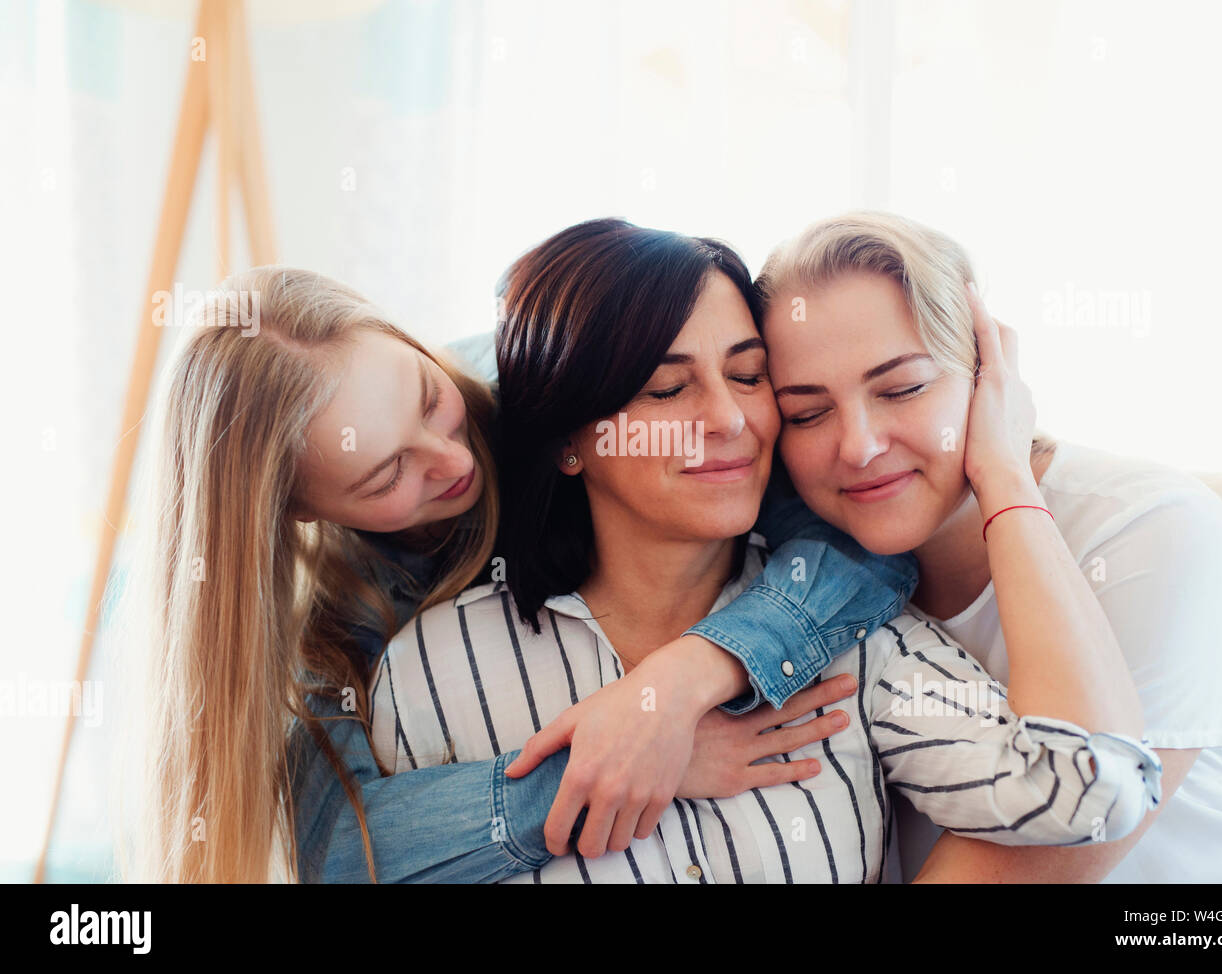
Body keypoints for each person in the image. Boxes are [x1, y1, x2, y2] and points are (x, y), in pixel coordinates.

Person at [370, 217, 1162, 883]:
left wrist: (1001, 469)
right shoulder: (429, 672)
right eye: (668, 389)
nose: (731, 420)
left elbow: (1089, 794)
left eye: (748, 377)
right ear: (570, 440)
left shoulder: (856, 640)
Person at [115, 266, 911, 883]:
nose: (455, 460)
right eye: (386, 476)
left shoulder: (556, 380)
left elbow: (865, 541)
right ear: (300, 511)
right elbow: (341, 857)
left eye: (429, 401)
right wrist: (619, 772)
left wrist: (680, 682)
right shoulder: (344, 618)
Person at [756, 211, 1222, 882]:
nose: (859, 446)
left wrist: (1004, 474)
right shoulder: (801, 570)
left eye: (903, 388)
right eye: (806, 413)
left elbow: (1048, 852)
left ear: (989, 374)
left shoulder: (1157, 529)